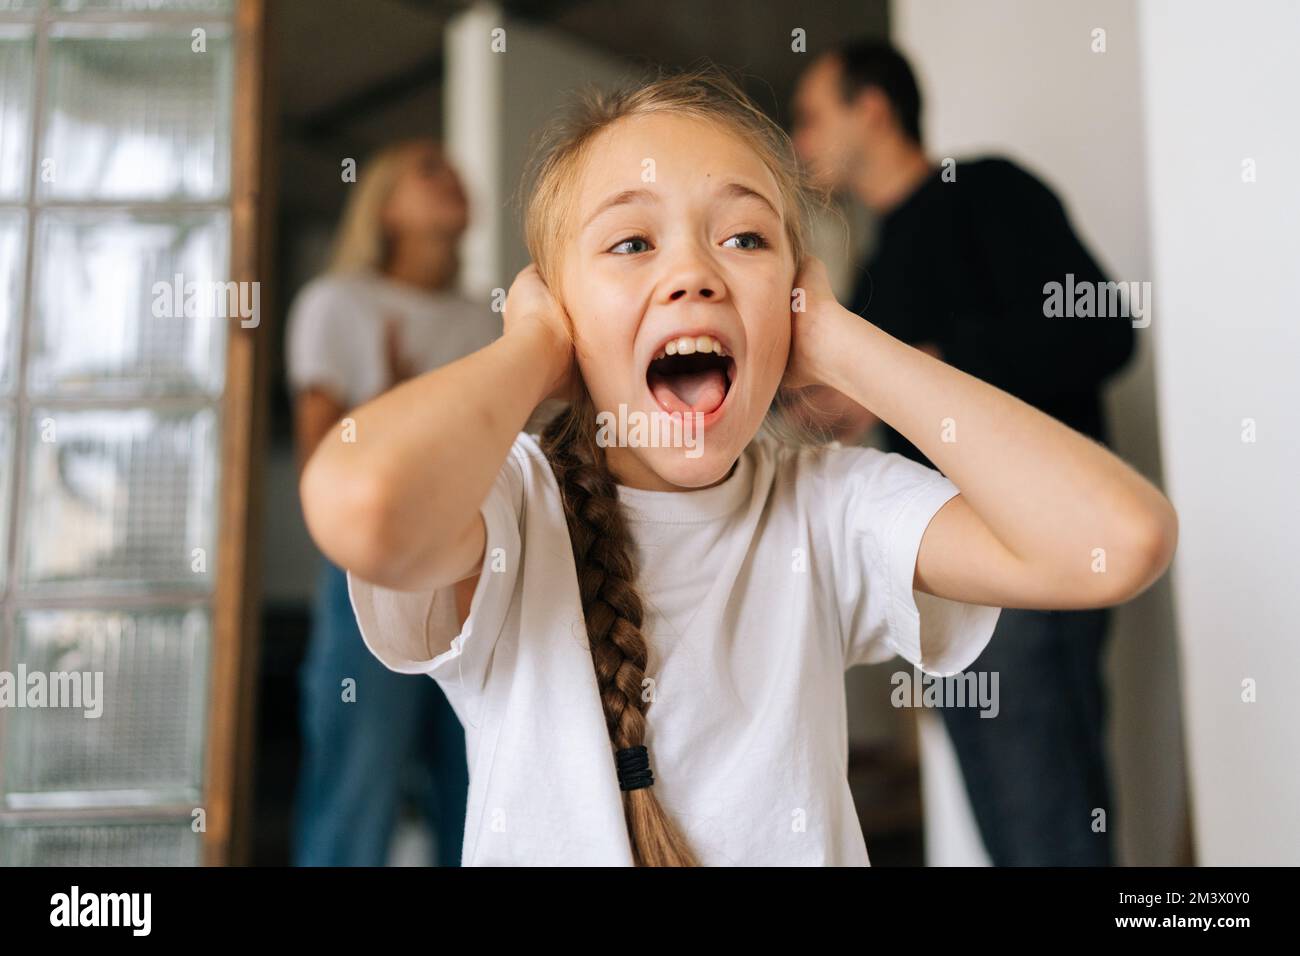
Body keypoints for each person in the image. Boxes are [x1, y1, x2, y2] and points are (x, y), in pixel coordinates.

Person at [299, 69, 1176, 866]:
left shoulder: (830, 509)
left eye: (747, 239)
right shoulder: (516, 509)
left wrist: (840, 343)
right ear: (563, 309)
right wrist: (534, 346)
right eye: (632, 244)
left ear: (796, 298)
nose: (694, 272)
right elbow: (361, 505)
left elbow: (1120, 540)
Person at [791, 40, 1138, 864]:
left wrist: (931, 365)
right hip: (945, 566)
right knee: (1007, 818)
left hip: (1037, 549)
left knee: (1044, 817)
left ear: (871, 108)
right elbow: (900, 418)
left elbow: (1103, 331)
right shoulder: (872, 267)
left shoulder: (987, 192)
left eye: (810, 117)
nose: (798, 143)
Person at [286, 138, 499, 866]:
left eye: (454, 162)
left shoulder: (486, 322)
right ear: (384, 204)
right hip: (367, 580)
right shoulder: (335, 304)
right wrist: (396, 407)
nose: (452, 175)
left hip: (476, 581)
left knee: (477, 793)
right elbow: (319, 469)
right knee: (358, 792)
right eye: (426, 168)